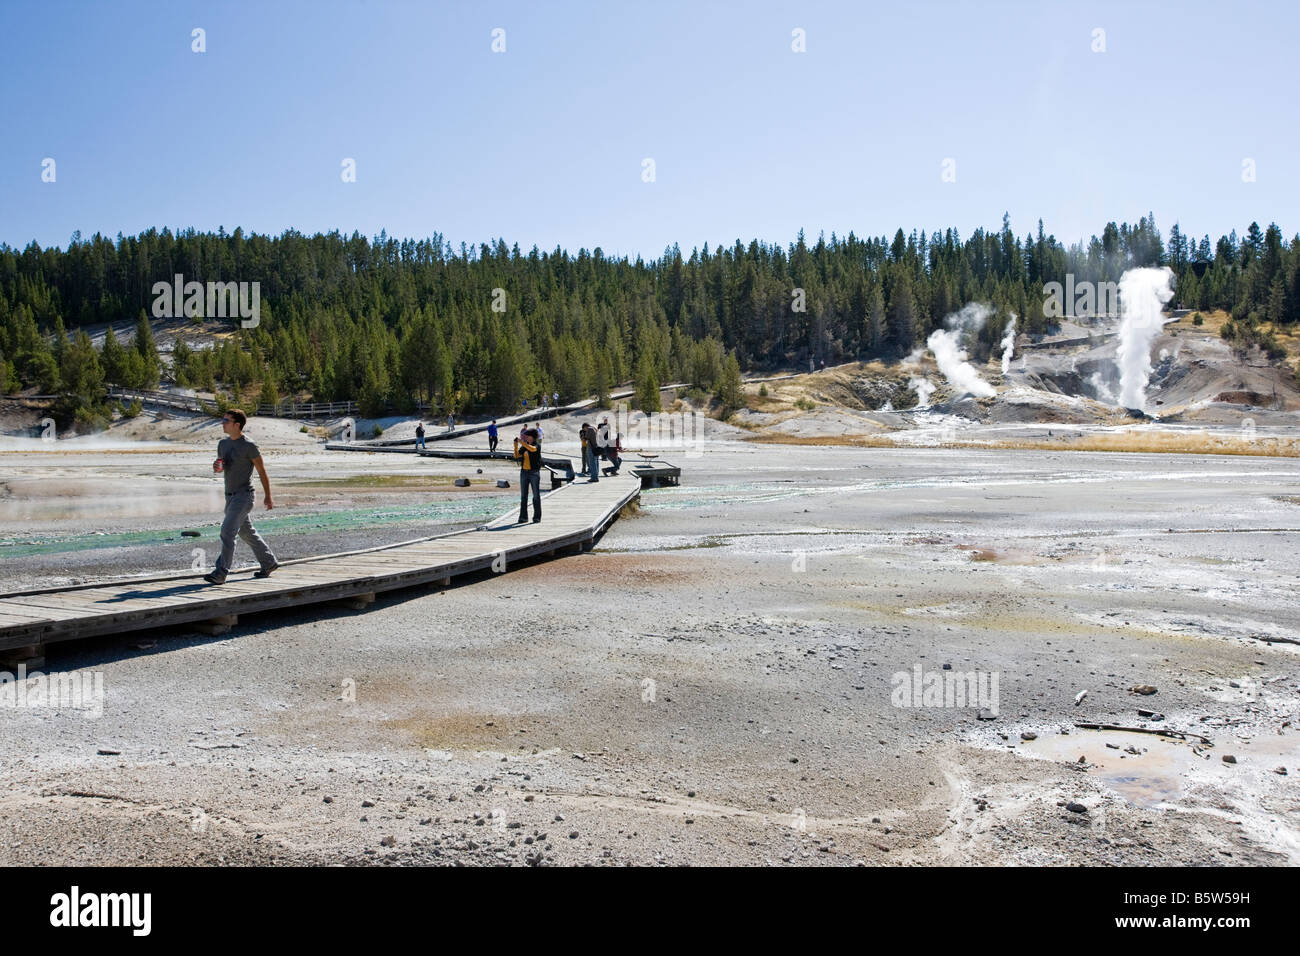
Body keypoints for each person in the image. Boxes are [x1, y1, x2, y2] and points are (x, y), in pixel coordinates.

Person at [204, 408, 278, 584]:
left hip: (244, 496)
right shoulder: (223, 444)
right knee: (247, 533)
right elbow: (222, 467)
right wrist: (217, 467)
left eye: (226, 420)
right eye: (223, 420)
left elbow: (261, 471)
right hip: (229, 496)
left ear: (237, 425)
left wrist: (268, 496)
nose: (222, 423)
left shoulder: (249, 445)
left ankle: (221, 572)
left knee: (227, 532)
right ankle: (269, 563)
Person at [514, 427, 542, 523]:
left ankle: (537, 517)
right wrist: (515, 445)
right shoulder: (524, 446)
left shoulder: (537, 445)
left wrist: (522, 442)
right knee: (523, 496)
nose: (526, 437)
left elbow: (532, 449)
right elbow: (516, 455)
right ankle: (523, 517)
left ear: (533, 437)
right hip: (524, 472)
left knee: (536, 496)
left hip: (534, 472)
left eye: (528, 436)